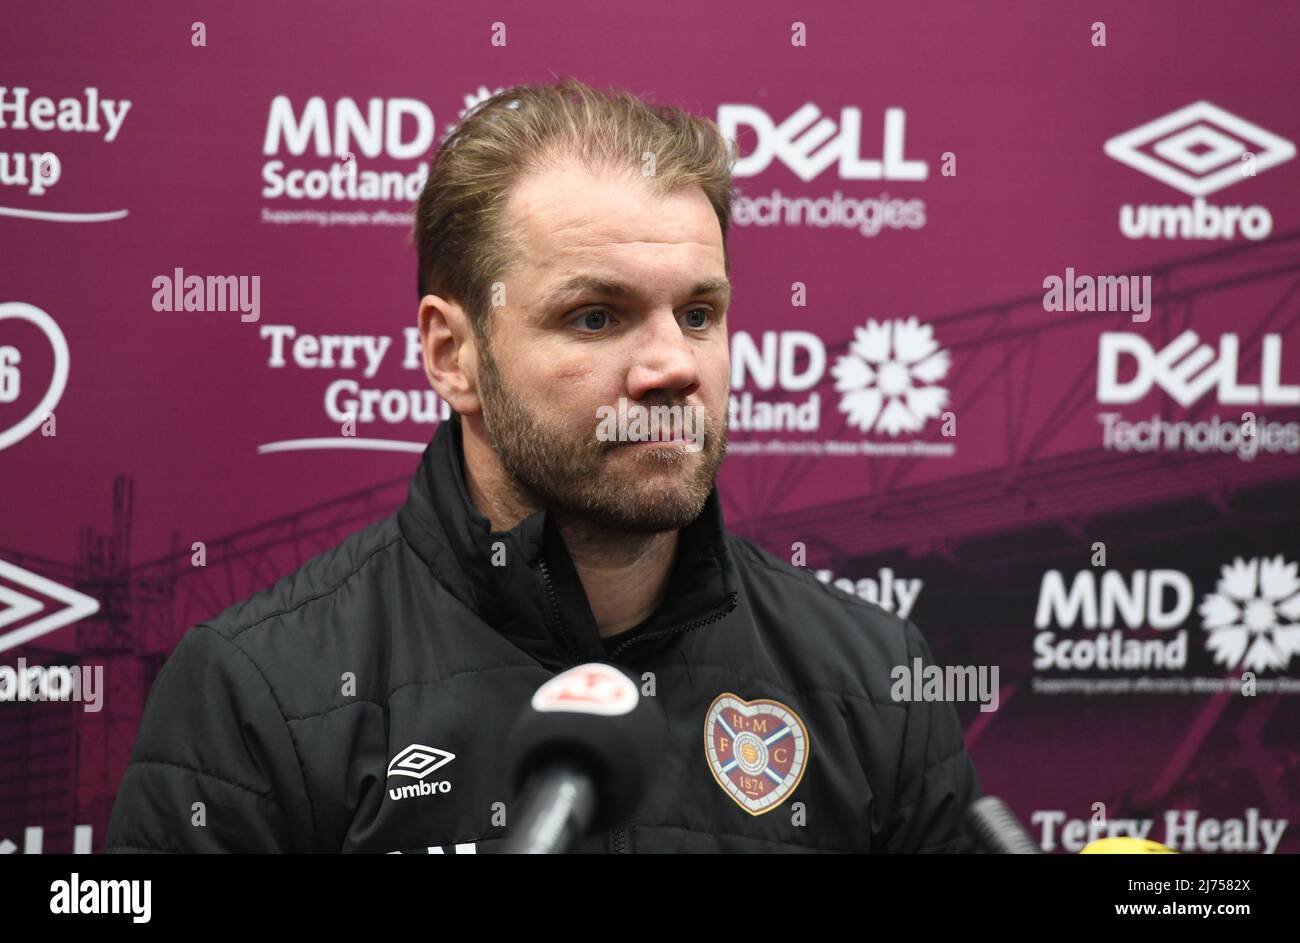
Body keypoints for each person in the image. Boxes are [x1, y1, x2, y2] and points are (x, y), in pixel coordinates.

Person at [105, 78, 982, 853]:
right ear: (454, 354)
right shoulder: (258, 690)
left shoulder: (872, 678)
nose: (673, 365)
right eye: (597, 316)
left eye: (700, 314)